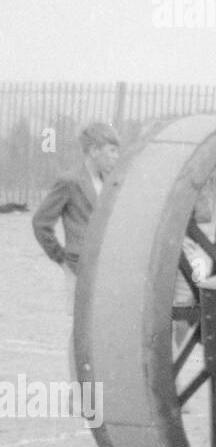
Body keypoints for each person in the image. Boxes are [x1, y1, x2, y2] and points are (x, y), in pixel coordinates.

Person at [32, 122, 121, 315]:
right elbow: (40, 223)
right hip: (79, 267)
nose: (116, 156)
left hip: (106, 266)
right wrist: (61, 258)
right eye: (112, 150)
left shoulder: (110, 183)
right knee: (82, 331)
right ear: (94, 151)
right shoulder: (69, 181)